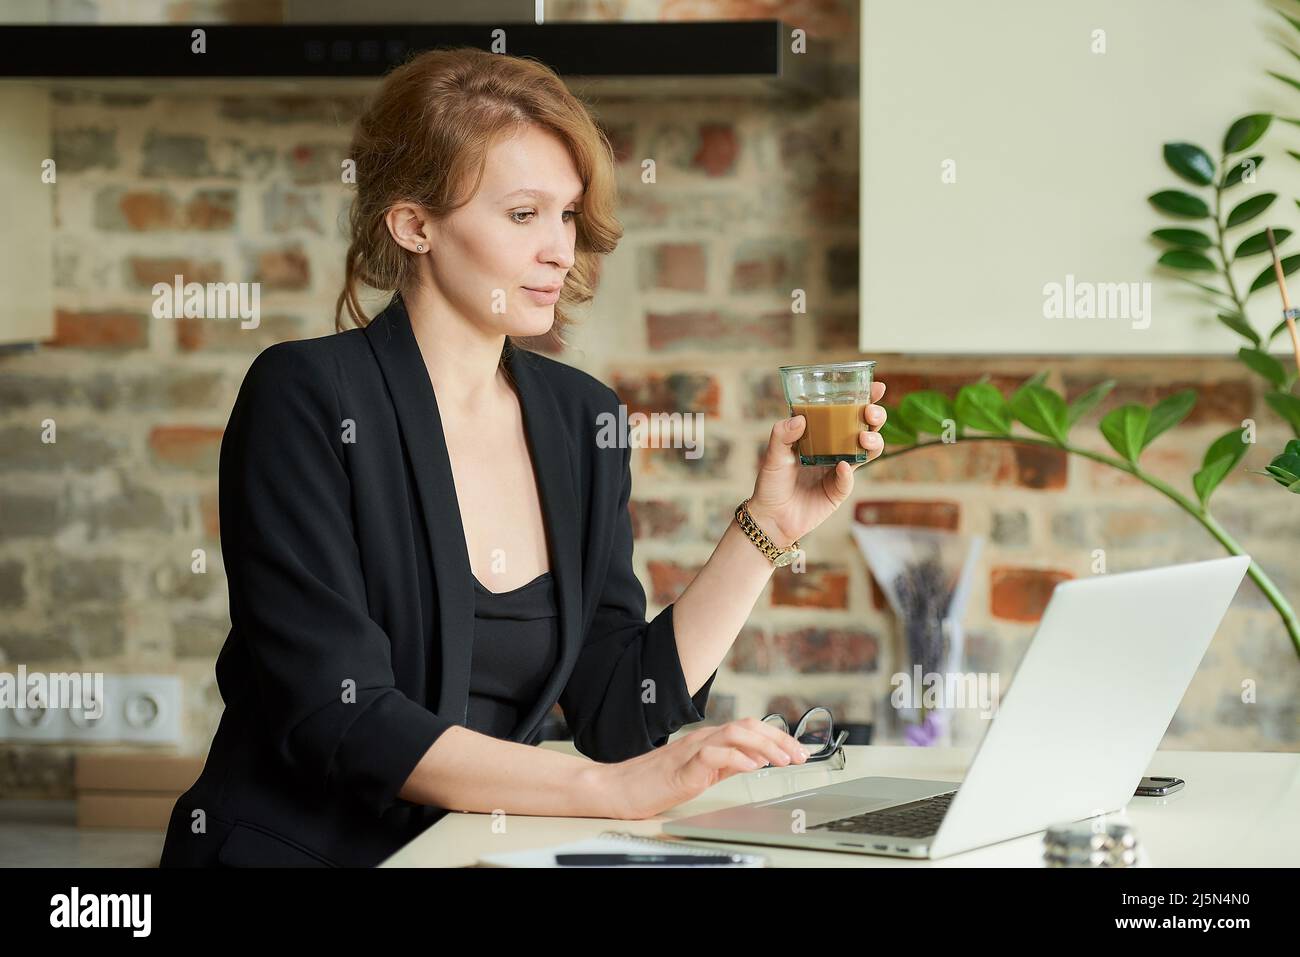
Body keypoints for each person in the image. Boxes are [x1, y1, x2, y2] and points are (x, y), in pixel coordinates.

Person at [159, 46, 888, 868]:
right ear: (414, 224)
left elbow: (618, 708)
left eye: (568, 214)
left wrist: (766, 526)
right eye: (522, 215)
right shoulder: (306, 398)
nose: (560, 250)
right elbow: (342, 714)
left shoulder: (582, 420)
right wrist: (609, 792)